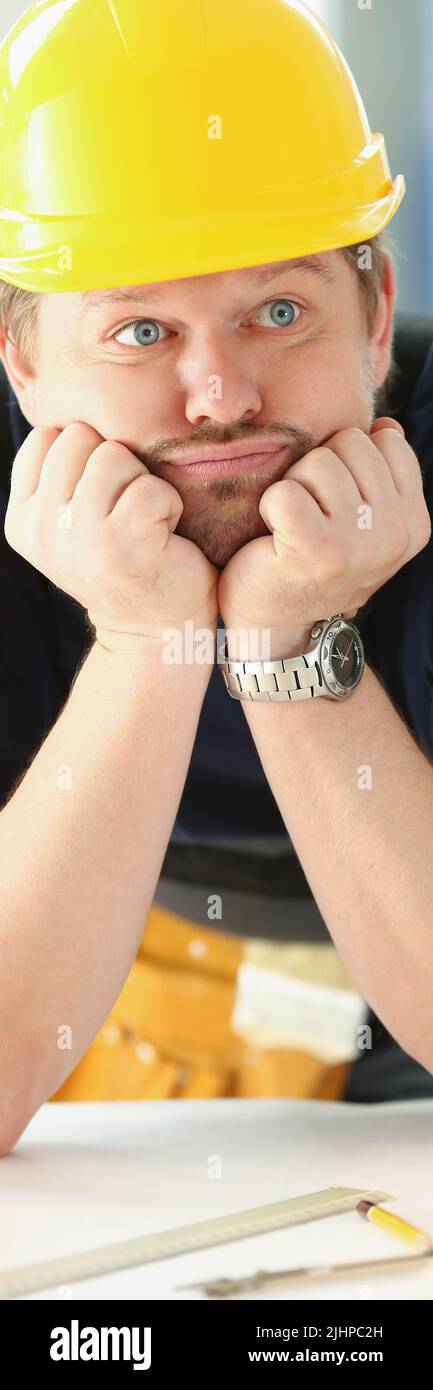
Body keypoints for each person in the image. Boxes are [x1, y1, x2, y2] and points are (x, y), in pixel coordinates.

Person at [0, 0, 432, 1153]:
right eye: (139, 332)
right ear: (24, 363)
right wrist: (146, 641)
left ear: (376, 318)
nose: (222, 398)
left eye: (278, 312)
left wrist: (296, 646)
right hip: (111, 965)